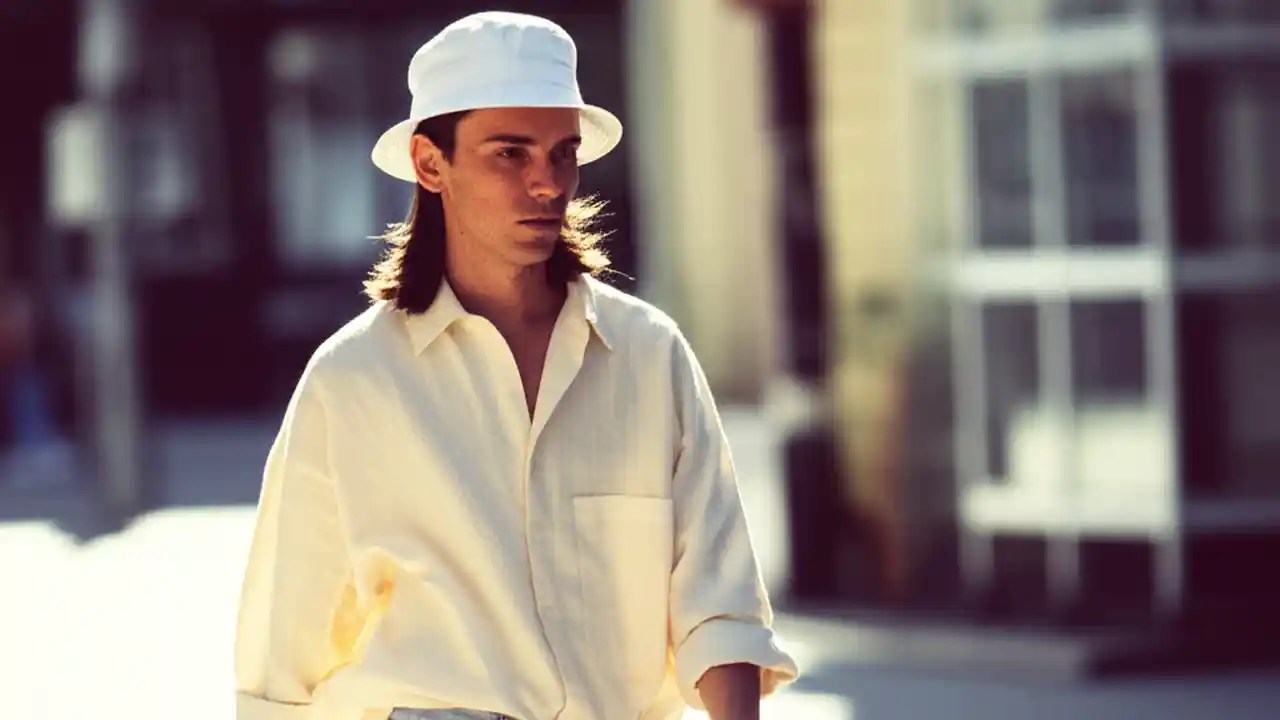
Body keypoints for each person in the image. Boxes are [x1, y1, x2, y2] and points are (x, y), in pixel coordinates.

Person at [234, 12, 797, 720]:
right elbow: (283, 663)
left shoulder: (651, 359)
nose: (546, 183)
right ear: (430, 163)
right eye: (511, 153)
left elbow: (720, 611)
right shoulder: (351, 381)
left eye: (563, 153)